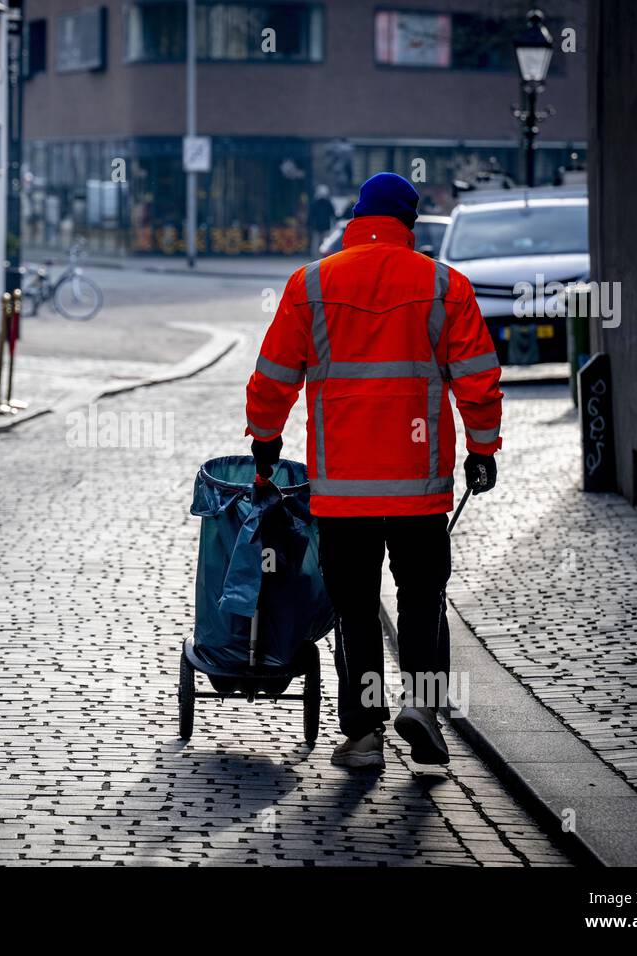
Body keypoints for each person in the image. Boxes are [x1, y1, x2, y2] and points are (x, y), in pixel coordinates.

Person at [245, 173, 503, 769]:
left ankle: (363, 738)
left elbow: (272, 377)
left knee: (355, 607)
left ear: (356, 219)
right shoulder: (445, 285)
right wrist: (483, 450)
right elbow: (479, 380)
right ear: (409, 225)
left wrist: (264, 443)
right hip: (420, 489)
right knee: (422, 598)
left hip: (342, 491)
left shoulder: (310, 283)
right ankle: (424, 709)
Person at [307, 185, 336, 257]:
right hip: (326, 225)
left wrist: (309, 224)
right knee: (325, 242)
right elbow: (333, 214)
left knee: (316, 242)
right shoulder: (328, 203)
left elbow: (311, 215)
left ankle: (315, 256)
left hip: (317, 225)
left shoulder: (315, 203)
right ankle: (324, 255)